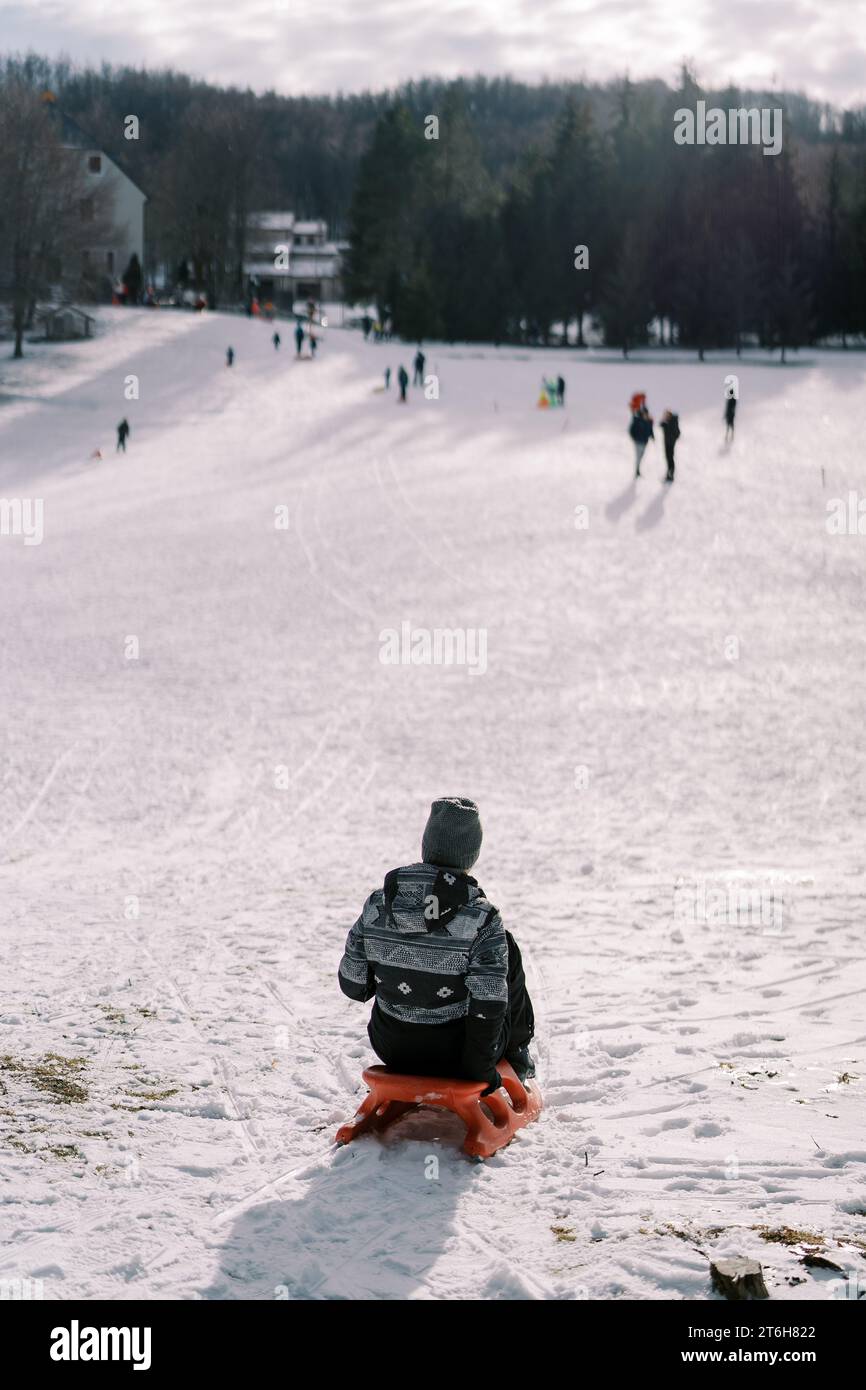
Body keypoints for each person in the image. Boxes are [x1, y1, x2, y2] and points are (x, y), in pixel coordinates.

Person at [338, 797, 536, 1089]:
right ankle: (517, 1058)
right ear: (471, 854)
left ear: (427, 845)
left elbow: (352, 985)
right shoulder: (481, 917)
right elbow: (489, 1004)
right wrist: (480, 1071)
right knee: (506, 948)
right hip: (456, 1055)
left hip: (392, 1049)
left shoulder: (379, 904)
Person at [629, 402, 654, 477]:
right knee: (638, 456)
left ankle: (638, 468)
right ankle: (637, 470)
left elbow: (650, 430)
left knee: (641, 456)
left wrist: (652, 436)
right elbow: (631, 430)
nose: (645, 414)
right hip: (638, 442)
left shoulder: (649, 421)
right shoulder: (637, 420)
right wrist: (634, 438)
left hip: (645, 442)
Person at [661, 409, 681, 482]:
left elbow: (678, 433)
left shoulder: (673, 422)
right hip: (666, 443)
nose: (666, 416)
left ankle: (671, 475)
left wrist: (672, 439)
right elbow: (661, 425)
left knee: (670, 458)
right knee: (668, 458)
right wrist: (664, 420)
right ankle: (669, 474)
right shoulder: (667, 422)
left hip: (671, 444)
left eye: (667, 414)